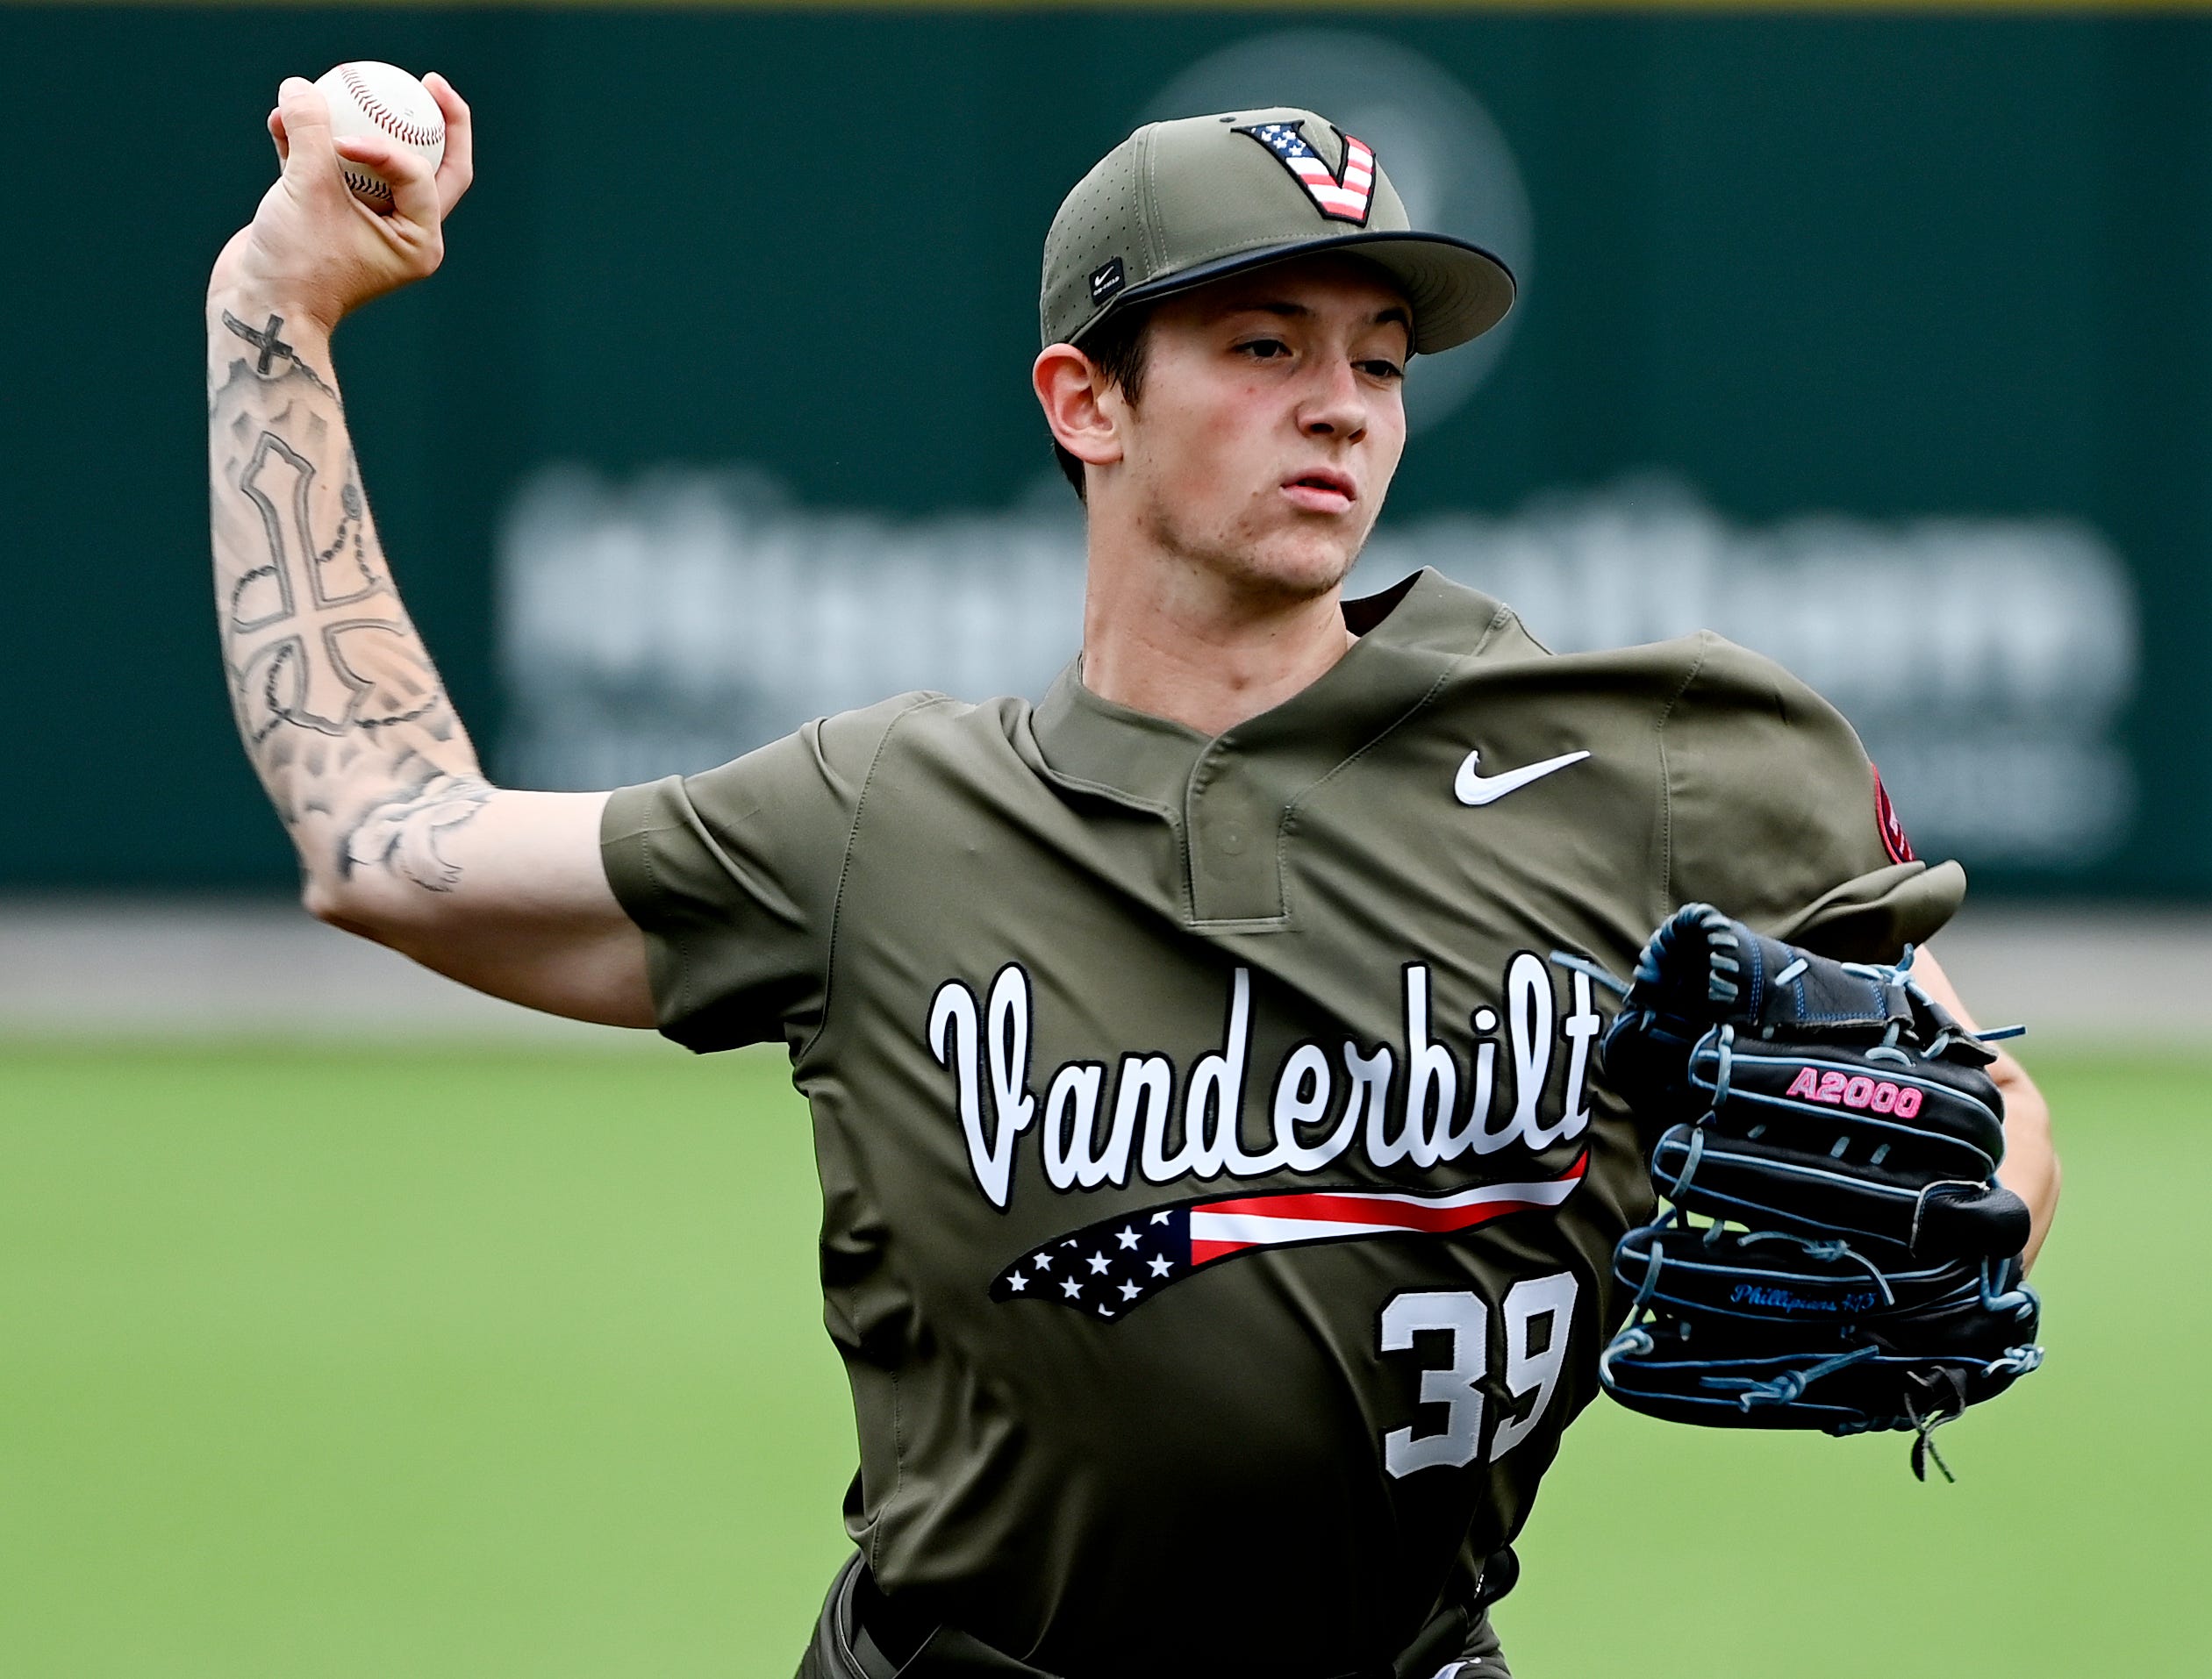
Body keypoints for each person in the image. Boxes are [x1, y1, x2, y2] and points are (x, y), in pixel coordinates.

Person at [205, 75, 2058, 1679]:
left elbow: (1977, 1115)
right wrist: (276, 307)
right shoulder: (881, 821)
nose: (1340, 405)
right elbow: (382, 838)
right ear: (1086, 402)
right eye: (1263, 350)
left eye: (1379, 362)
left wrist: (1967, 1215)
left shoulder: (1641, 763)